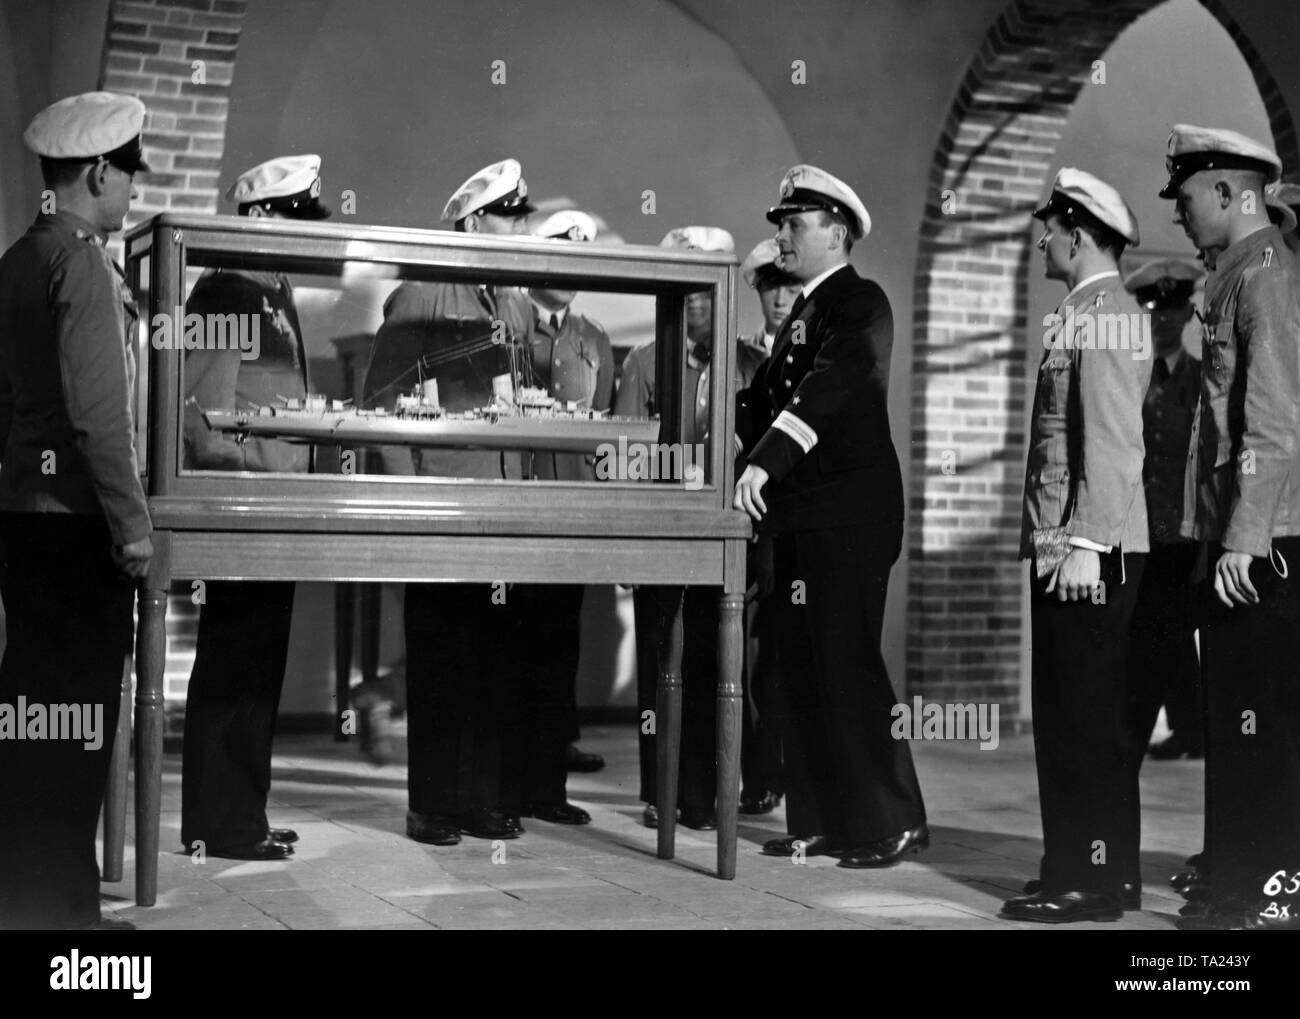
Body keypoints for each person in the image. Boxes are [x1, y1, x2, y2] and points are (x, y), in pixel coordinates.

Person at [733, 165, 928, 869]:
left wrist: (763, 461)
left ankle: (890, 818)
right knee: (798, 672)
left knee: (845, 667)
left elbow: (828, 390)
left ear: (836, 232)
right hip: (800, 520)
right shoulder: (803, 315)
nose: (780, 235)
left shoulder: (859, 304)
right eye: (780, 223)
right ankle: (819, 820)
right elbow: (756, 405)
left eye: (795, 223)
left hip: (847, 516)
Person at [0, 91, 153, 930]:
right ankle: (63, 922)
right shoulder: (83, 264)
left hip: (23, 521)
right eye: (128, 175)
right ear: (98, 171)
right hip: (76, 529)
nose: (132, 193)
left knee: (28, 715)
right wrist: (132, 527)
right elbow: (102, 419)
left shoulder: (16, 261)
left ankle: (25, 897)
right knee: (77, 727)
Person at [362, 158, 534, 846]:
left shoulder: (512, 301)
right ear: (471, 223)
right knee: (440, 656)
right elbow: (381, 401)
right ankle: (434, 801)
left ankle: (485, 797)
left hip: (503, 503)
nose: (517, 230)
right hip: (443, 502)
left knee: (494, 658)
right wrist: (413, 495)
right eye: (507, 218)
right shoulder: (424, 295)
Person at [1157, 126, 1300, 931]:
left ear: (1226, 190)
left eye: (1184, 197)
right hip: (1238, 537)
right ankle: (1234, 879)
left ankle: (1270, 895)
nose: (1178, 212)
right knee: (1233, 723)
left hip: (1269, 541)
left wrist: (1244, 539)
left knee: (1263, 725)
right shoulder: (1237, 274)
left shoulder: (1266, 275)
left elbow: (1274, 419)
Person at [1000, 168, 1150, 924]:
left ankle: (1085, 882)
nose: (1040, 238)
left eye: (1049, 227)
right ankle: (1096, 870)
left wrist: (1087, 542)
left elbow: (1116, 443)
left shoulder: (1106, 314)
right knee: (1076, 719)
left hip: (1090, 549)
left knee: (1079, 724)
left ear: (1078, 232)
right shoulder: (1084, 312)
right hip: (1072, 544)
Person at [179, 155, 330, 861]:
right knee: (234, 657)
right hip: (240, 498)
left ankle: (247, 811)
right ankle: (222, 821)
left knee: (258, 658)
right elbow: (201, 405)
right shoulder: (227, 286)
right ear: (263, 217)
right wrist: (223, 498)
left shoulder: (271, 281)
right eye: (295, 219)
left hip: (274, 494)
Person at [618, 226, 767, 830]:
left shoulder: (751, 363)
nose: (699, 303)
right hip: (662, 532)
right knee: (663, 659)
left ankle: (704, 795)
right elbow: (626, 455)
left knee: (713, 662)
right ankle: (663, 791)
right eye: (690, 290)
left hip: (724, 537)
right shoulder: (644, 361)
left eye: (711, 289)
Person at [503, 209, 613, 826]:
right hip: (516, 509)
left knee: (556, 652)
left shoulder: (592, 340)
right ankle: (505, 789)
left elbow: (604, 443)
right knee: (508, 651)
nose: (569, 270)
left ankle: (547, 789)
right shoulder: (508, 324)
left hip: (571, 519)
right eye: (559, 255)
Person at [1123, 258, 1204, 762]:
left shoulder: (1201, 378)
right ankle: (1180, 726)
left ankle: (1186, 726)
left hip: (1183, 528)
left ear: (1188, 315)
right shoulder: (1130, 375)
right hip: (1136, 527)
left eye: (1174, 311)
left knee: (1172, 626)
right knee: (1149, 627)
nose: (1165, 321)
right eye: (1156, 312)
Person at [735, 239, 796, 815]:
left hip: (797, 523)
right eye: (770, 286)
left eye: (789, 284)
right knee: (749, 658)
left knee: (783, 655)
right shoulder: (740, 361)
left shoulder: (814, 354)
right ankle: (758, 776)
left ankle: (786, 773)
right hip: (750, 521)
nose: (782, 297)